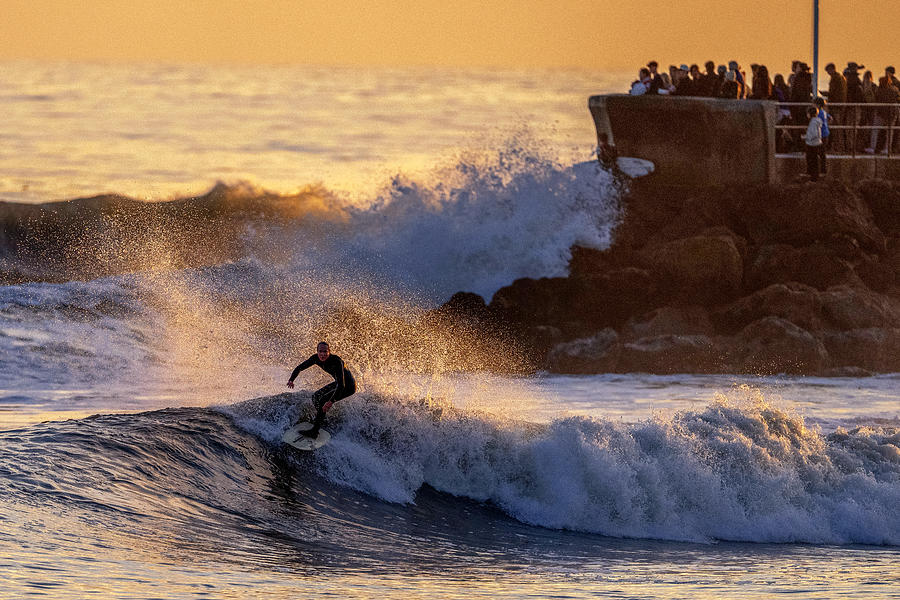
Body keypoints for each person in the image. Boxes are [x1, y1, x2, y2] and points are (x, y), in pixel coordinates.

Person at [286, 341, 356, 438]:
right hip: (338, 383)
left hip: (348, 386)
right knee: (316, 396)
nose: (322, 354)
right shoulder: (315, 358)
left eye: (325, 352)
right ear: (317, 351)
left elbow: (341, 385)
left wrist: (331, 401)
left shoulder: (337, 361)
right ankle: (321, 419)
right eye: (320, 351)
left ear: (329, 352)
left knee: (324, 400)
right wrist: (291, 380)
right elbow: (300, 368)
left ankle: (314, 432)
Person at [824, 63, 846, 152]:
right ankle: (839, 146)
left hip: (836, 105)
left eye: (828, 71)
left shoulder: (835, 78)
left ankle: (838, 147)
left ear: (832, 69)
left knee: (836, 126)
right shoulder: (841, 78)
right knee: (837, 126)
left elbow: (832, 92)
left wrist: (825, 94)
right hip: (840, 104)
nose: (828, 73)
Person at [804, 106, 824, 182]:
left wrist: (806, 137)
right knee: (815, 161)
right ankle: (814, 177)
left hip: (812, 144)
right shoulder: (817, 121)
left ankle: (813, 178)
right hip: (817, 143)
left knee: (812, 161)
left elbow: (814, 134)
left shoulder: (813, 123)